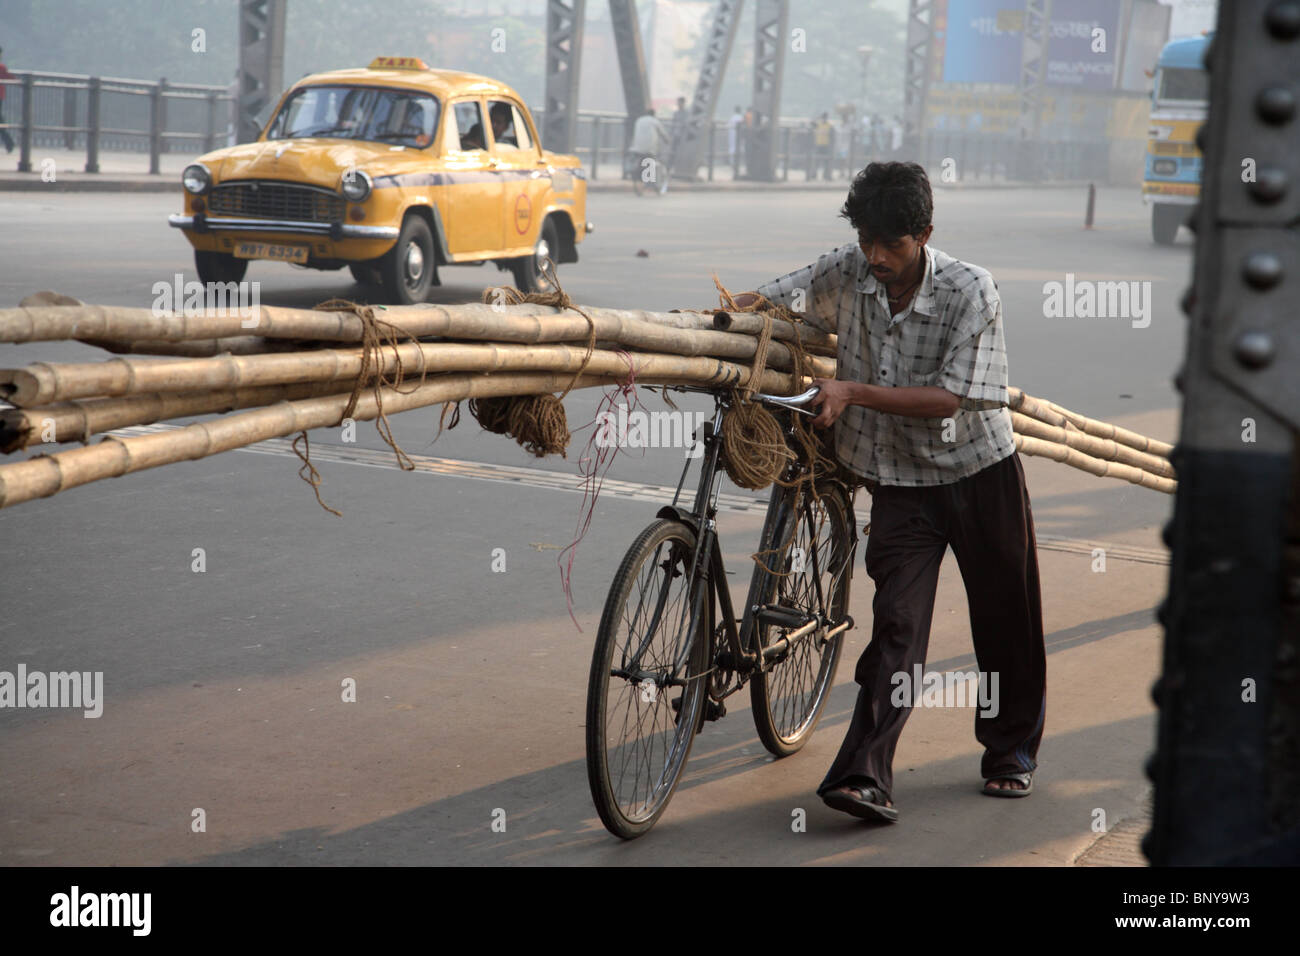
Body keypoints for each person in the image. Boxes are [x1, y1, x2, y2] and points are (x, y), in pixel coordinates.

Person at [732, 161, 1046, 823]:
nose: (876, 257)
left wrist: (851, 391)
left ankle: (1009, 752)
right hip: (901, 483)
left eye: (892, 246)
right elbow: (774, 301)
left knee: (1006, 619)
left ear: (925, 234)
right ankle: (864, 774)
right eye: (867, 239)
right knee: (898, 627)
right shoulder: (848, 269)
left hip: (980, 474)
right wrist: (727, 316)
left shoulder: (971, 291)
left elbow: (949, 399)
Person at [0, 48, 17, 153]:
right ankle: (9, 143)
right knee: (1, 122)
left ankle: (9, 142)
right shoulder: (1, 67)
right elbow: (11, 78)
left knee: (1, 122)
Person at [812, 112, 834, 180]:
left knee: (826, 161)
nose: (824, 118)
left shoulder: (830, 125)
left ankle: (826, 175)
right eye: (823, 117)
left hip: (826, 145)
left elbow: (832, 136)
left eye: (825, 117)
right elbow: (811, 123)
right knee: (816, 160)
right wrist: (818, 118)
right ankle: (814, 174)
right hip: (819, 145)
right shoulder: (819, 124)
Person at [727, 105, 743, 173]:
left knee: (732, 147)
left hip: (732, 135)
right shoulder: (741, 118)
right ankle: (737, 164)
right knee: (739, 148)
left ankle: (732, 163)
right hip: (739, 135)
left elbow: (728, 126)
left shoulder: (732, 118)